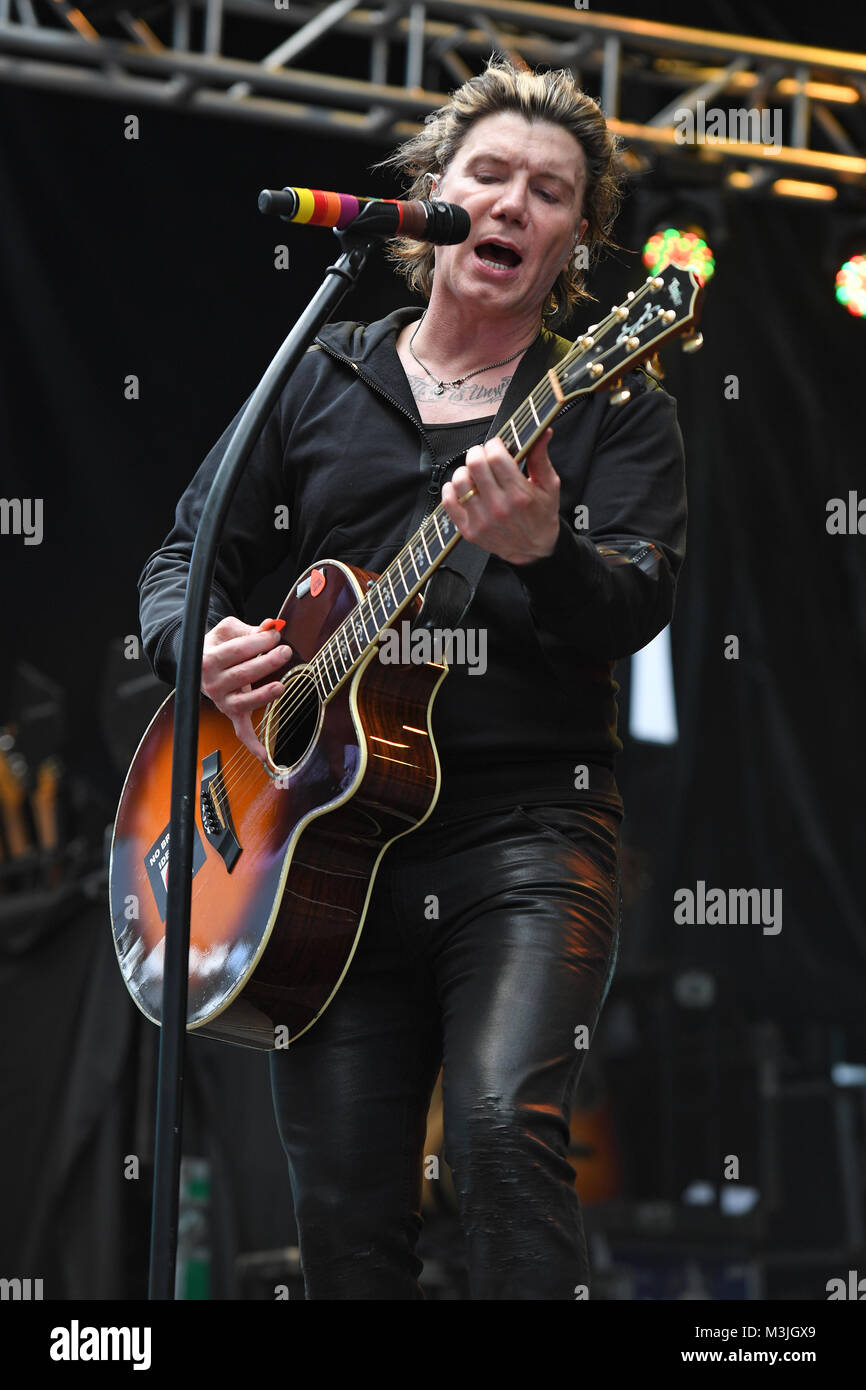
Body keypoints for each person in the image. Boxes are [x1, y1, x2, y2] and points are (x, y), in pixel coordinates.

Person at [138, 58, 686, 1299]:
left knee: (498, 1131)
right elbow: (187, 552)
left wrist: (546, 552)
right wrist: (197, 647)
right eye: (486, 174)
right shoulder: (323, 371)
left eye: (547, 194)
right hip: (315, 853)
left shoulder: (609, 404)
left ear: (573, 244)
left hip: (523, 835)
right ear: (431, 197)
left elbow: (638, 603)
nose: (509, 205)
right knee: (344, 1213)